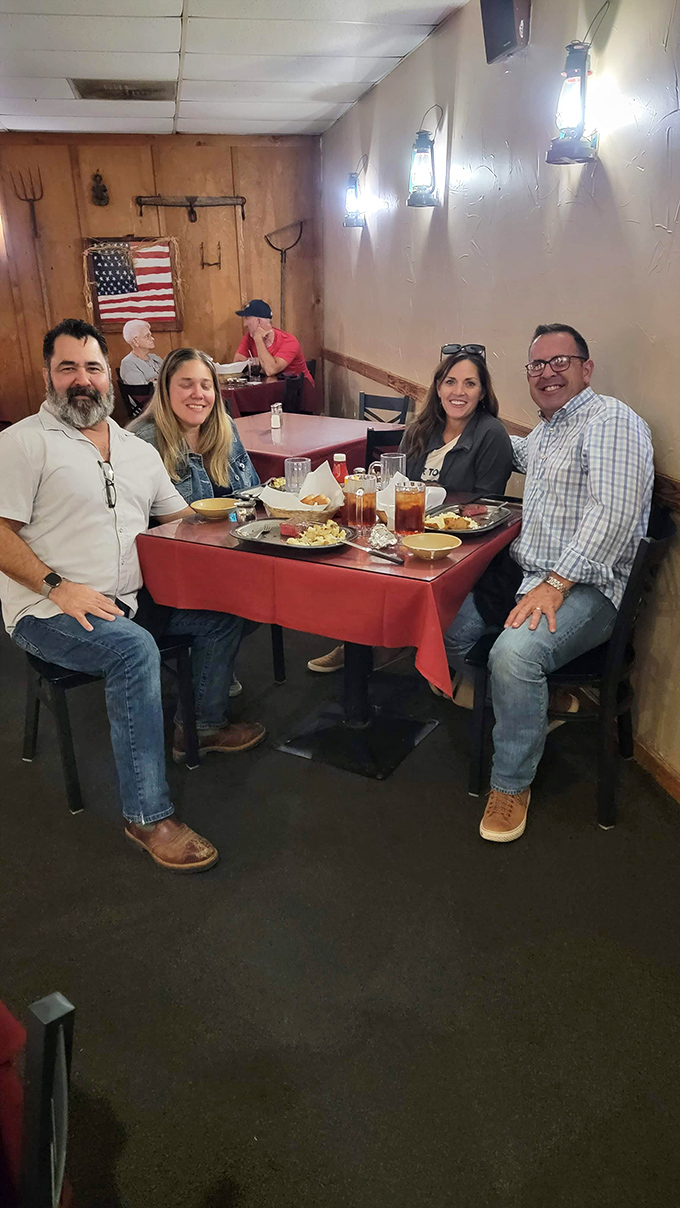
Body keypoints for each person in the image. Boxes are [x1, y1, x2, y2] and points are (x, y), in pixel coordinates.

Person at [0, 318, 265, 874]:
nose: (82, 379)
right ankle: (147, 814)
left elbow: (184, 516)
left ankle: (207, 725)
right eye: (67, 367)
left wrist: (265, 515)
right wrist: (57, 586)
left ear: (109, 377)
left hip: (129, 600)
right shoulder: (23, 442)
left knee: (222, 617)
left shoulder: (132, 448)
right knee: (133, 650)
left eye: (92, 367)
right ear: (48, 375)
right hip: (48, 609)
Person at [443, 323, 655, 844]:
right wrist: (465, 417)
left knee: (512, 656)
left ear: (587, 368)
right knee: (449, 625)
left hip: (590, 587)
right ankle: (541, 704)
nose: (547, 372)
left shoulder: (610, 421)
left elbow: (616, 515)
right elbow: (518, 453)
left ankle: (511, 782)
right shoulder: (550, 429)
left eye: (560, 361)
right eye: (537, 365)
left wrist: (557, 583)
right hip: (532, 574)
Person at [307, 348, 513, 675]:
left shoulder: (491, 434)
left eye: (470, 384)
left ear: (483, 392)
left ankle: (398, 653)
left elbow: (482, 511)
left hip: (460, 558)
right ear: (438, 387)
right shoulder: (421, 428)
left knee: (443, 624)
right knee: (352, 572)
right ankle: (360, 644)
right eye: (450, 382)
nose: (458, 392)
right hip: (407, 540)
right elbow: (395, 484)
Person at [130, 346, 260, 699]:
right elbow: (140, 529)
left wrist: (232, 519)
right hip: (166, 575)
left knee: (271, 595)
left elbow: (251, 496)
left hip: (222, 557)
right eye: (186, 384)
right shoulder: (142, 442)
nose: (198, 394)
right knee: (233, 611)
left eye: (206, 385)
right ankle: (205, 703)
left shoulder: (224, 428)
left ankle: (211, 665)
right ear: (165, 388)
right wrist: (231, 520)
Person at [234, 299, 314, 384]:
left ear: (259, 322)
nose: (244, 324)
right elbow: (237, 364)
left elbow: (270, 370)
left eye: (247, 319)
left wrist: (258, 339)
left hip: (297, 392)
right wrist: (262, 365)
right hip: (270, 390)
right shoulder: (248, 337)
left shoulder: (289, 341)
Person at [119, 319, 163, 385]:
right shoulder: (128, 363)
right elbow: (142, 390)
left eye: (150, 335)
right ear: (135, 341)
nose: (152, 338)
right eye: (147, 336)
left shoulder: (155, 358)